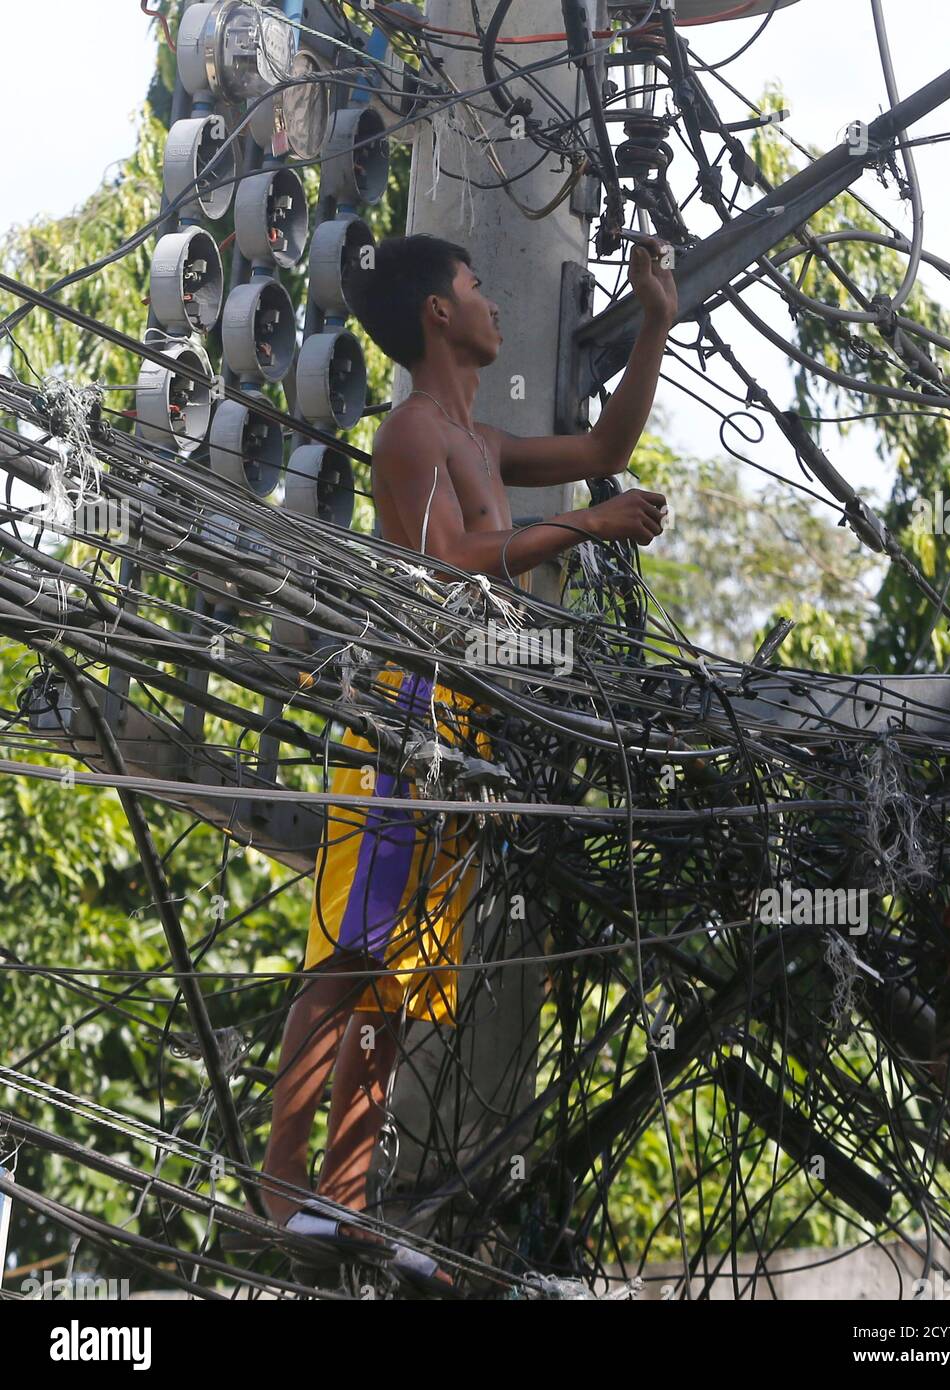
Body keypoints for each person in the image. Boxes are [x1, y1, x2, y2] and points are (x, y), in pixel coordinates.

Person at [262, 232, 677, 1282]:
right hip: (405, 707)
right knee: (350, 957)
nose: (493, 300)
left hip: (461, 724)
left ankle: (346, 1203)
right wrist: (584, 526)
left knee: (395, 980)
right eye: (477, 285)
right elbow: (447, 562)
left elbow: (602, 448)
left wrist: (658, 322)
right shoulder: (411, 431)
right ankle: (281, 1189)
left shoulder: (480, 440)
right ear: (439, 315)